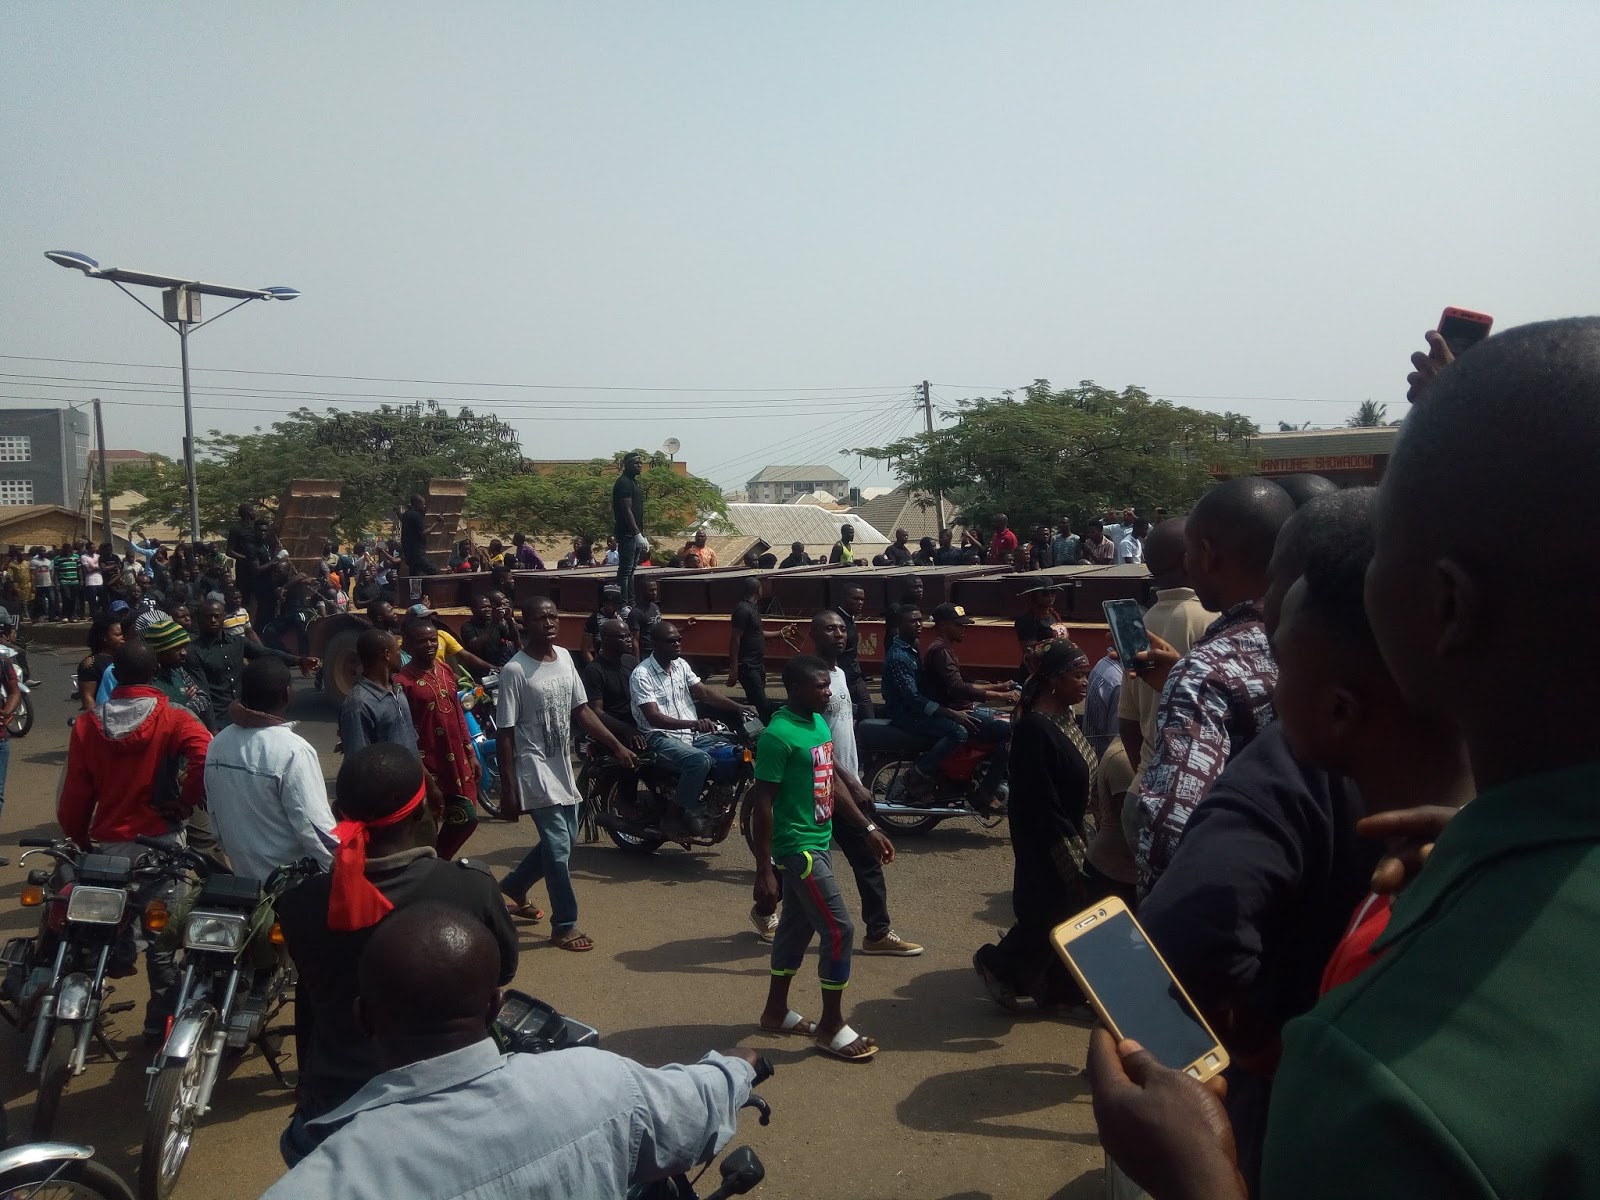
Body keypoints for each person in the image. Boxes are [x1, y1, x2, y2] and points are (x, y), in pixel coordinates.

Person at [1091, 318, 1600, 1200]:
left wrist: (1198, 1180)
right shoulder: (1492, 861)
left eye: (1383, 543)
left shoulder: (1371, 1086)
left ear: (1445, 607)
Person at [263, 902, 756, 1200]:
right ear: (495, 1006)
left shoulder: (323, 1180)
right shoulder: (599, 1082)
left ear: (363, 1019)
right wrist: (738, 1066)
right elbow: (694, 1108)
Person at [273, 744, 518, 1165]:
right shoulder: (472, 888)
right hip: (447, 1099)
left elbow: (312, 993)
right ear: (421, 810)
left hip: (334, 1108)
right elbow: (505, 968)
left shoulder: (300, 902)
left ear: (338, 812)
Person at [1131, 477, 1294, 895]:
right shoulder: (1321, 638)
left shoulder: (1207, 670)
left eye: (1189, 552)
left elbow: (1170, 835)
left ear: (1206, 553)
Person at [57, 638, 211, 1038]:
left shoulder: (88, 725)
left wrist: (79, 839)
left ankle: (81, 1014)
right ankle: (159, 1025)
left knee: (93, 934)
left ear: (115, 675)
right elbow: (205, 754)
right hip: (161, 847)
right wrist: (185, 802)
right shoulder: (174, 717)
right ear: (155, 672)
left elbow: (75, 796)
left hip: (108, 848)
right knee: (163, 943)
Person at [748, 610, 922, 957]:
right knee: (805, 861)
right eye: (830, 629)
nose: (839, 634)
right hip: (819, 787)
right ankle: (768, 908)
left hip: (837, 782)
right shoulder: (804, 687)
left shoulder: (837, 677)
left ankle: (876, 932)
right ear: (813, 635)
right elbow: (811, 749)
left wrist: (854, 779)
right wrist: (851, 784)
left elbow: (830, 738)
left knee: (853, 859)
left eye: (843, 628)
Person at [751, 655, 892, 1062]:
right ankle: (831, 1026)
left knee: (795, 930)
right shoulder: (777, 736)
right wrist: (764, 869)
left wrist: (867, 827)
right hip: (799, 850)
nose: (828, 693)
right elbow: (763, 804)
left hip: (821, 841)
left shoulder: (817, 723)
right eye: (820, 686)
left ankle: (775, 1011)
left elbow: (829, 784)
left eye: (829, 685)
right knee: (839, 929)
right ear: (794, 689)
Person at [496, 597, 638, 951]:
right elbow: (505, 733)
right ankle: (564, 925)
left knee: (563, 839)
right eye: (539, 618)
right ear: (525, 622)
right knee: (559, 847)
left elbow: (583, 711)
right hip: (533, 768)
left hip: (561, 766)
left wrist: (616, 746)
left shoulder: (564, 658)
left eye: (552, 616)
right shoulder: (515, 671)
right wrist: (508, 789)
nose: (548, 623)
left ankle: (514, 885)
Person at [973, 640, 1101, 1011]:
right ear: (1053, 680)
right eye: (1077, 676)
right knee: (1047, 915)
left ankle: (1059, 990)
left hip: (1069, 829)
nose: (1084, 683)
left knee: (1069, 913)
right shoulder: (1034, 729)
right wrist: (1070, 847)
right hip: (1046, 839)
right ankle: (995, 964)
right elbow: (1041, 801)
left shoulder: (1065, 719)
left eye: (1086, 675)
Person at [205, 657, 337, 882]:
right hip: (291, 884)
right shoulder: (294, 750)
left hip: (245, 880)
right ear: (287, 694)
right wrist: (343, 867)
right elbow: (316, 830)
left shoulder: (218, 743)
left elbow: (215, 819)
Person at [630, 620, 755, 836]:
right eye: (671, 641)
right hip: (658, 737)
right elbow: (654, 718)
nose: (677, 644)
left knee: (734, 749)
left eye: (679, 639)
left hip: (689, 735)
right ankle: (673, 817)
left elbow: (704, 693)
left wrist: (738, 707)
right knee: (699, 761)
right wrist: (694, 724)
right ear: (655, 643)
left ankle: (714, 803)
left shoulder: (681, 665)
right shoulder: (642, 675)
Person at [1115, 518, 1215, 778]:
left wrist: (1145, 775)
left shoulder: (1140, 623)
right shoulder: (1214, 619)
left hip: (1147, 780)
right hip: (1197, 781)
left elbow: (1128, 721)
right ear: (1187, 560)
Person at [881, 604, 1007, 804]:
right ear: (899, 625)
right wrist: (951, 713)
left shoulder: (913, 648)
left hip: (920, 708)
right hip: (906, 713)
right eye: (912, 621)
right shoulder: (899, 656)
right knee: (959, 732)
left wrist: (997, 688)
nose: (918, 625)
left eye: (920, 620)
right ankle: (918, 773)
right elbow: (913, 698)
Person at [396, 615, 480, 860]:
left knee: (467, 817)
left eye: (433, 640)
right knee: (428, 820)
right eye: (423, 641)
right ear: (409, 645)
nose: (430, 645)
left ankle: (439, 859)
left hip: (456, 758)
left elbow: (458, 713)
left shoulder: (445, 670)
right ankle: (427, 865)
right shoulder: (402, 682)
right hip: (427, 761)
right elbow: (404, 729)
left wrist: (471, 752)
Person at [188, 598, 315, 724]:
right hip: (218, 718)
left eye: (216, 616)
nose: (212, 620)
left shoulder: (237, 642)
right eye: (208, 617)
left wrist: (298, 660)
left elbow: (266, 653)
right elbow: (203, 692)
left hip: (244, 713)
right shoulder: (194, 651)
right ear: (199, 619)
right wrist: (212, 727)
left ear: (224, 617)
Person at [339, 628, 418, 757]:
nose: (402, 655)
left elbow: (411, 743)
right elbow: (358, 759)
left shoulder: (397, 691)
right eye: (398, 650)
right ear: (387, 655)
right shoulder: (358, 705)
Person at [580, 618, 647, 749]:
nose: (629, 640)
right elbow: (595, 710)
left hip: (639, 723)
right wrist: (625, 729)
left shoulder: (631, 661)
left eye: (629, 635)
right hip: (616, 730)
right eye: (622, 637)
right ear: (606, 639)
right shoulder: (594, 670)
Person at [727, 576, 788, 716]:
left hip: (757, 664)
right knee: (760, 704)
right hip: (747, 666)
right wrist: (734, 668)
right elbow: (735, 640)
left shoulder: (753, 608)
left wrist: (779, 633)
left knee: (759, 701)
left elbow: (758, 633)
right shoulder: (742, 610)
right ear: (758, 590)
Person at [142, 614, 213, 728]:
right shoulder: (147, 680)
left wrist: (183, 707)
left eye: (184, 647)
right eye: (177, 649)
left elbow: (203, 699)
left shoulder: (179, 671)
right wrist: (184, 704)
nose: (184, 653)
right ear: (160, 652)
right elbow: (157, 716)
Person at [832, 585, 872, 721]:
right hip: (845, 679)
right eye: (855, 599)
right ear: (844, 599)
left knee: (866, 717)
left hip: (855, 677)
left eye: (862, 599)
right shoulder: (837, 621)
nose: (860, 602)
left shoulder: (849, 618)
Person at [613, 451, 646, 605]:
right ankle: (623, 603)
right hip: (627, 533)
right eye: (635, 463)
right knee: (625, 571)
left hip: (635, 533)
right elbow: (626, 510)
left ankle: (631, 602)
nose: (639, 465)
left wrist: (642, 534)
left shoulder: (634, 482)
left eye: (640, 463)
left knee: (632, 570)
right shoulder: (624, 482)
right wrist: (636, 533)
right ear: (626, 465)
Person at [580, 585, 624, 664]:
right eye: (607, 603)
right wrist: (594, 666)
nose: (610, 607)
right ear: (603, 602)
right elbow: (585, 648)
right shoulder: (594, 619)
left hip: (621, 663)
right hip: (602, 662)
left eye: (613, 604)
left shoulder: (623, 617)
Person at [627, 575, 666, 658]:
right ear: (642, 591)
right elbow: (635, 640)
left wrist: (685, 628)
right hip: (645, 654)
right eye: (651, 590)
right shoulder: (636, 613)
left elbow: (662, 630)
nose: (654, 593)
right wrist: (637, 661)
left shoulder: (655, 607)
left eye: (655, 589)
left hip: (658, 651)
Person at [399, 494, 432, 577]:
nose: (424, 506)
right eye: (423, 504)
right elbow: (423, 533)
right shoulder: (416, 516)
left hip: (409, 554)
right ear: (418, 503)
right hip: (417, 554)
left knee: (415, 576)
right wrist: (436, 523)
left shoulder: (406, 515)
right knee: (434, 571)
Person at [29, 545, 55, 621]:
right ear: (38, 552)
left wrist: (52, 582)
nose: (43, 552)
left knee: (51, 599)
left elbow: (50, 572)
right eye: (41, 551)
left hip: (48, 584)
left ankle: (51, 616)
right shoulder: (34, 561)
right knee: (39, 601)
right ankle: (38, 615)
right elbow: (32, 574)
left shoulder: (48, 561)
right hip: (39, 584)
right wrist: (33, 585)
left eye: (44, 551)